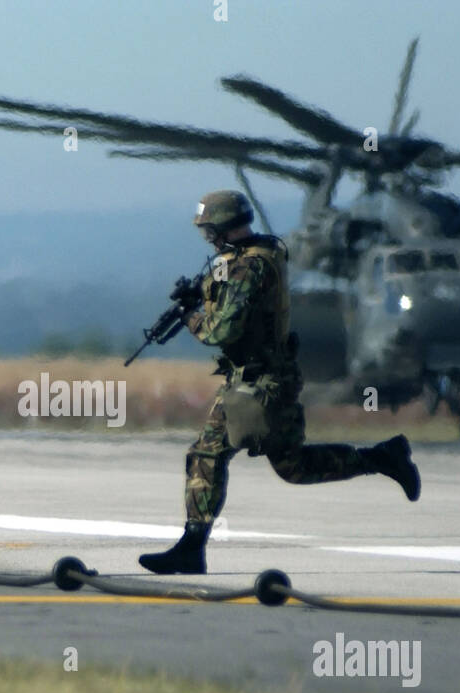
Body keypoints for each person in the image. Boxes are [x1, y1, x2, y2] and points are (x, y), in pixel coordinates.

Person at [139, 190, 420, 575]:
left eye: (209, 231)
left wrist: (191, 317)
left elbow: (221, 330)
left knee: (245, 459)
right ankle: (382, 458)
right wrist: (200, 295)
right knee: (265, 462)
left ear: (222, 227)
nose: (207, 239)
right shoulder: (251, 255)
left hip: (262, 383)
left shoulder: (248, 267)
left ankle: (192, 547)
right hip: (254, 378)